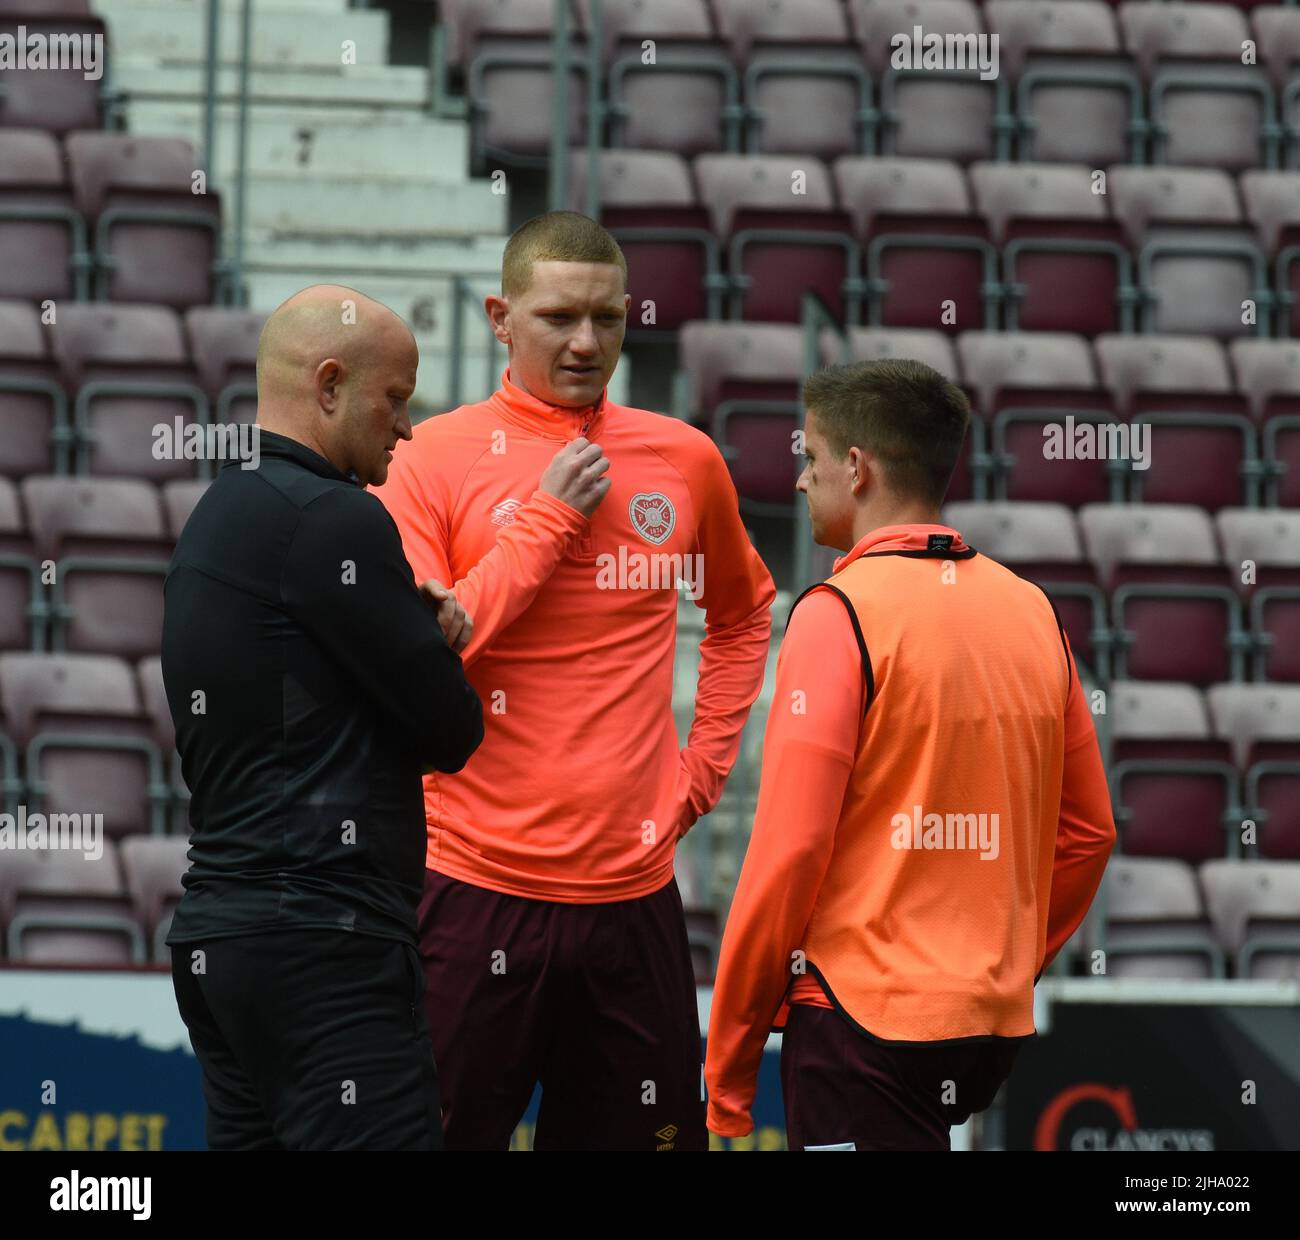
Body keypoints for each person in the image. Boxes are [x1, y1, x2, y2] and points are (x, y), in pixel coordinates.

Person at [376, 211, 776, 1150]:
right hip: (469, 887)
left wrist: (705, 768)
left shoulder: (683, 457)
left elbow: (744, 611)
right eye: (558, 317)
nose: (587, 341)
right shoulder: (430, 459)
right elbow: (426, 656)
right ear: (500, 318)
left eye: (608, 316)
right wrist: (548, 519)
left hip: (631, 898)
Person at [705, 359, 1116, 1151]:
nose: (799, 479)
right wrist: (1002, 965)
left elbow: (789, 852)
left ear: (855, 470)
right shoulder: (1034, 611)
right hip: (984, 1021)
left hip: (857, 1019)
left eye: (812, 458)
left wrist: (730, 1055)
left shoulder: (836, 613)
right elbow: (1091, 834)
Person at [163, 284, 484, 1150]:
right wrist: (434, 642)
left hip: (220, 940)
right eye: (396, 399)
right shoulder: (337, 518)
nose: (408, 427)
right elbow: (453, 730)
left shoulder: (214, 519)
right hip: (325, 948)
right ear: (331, 384)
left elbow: (293, 712)